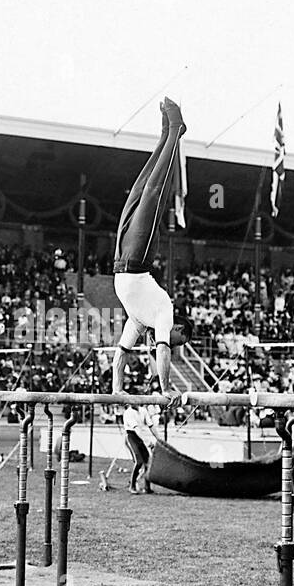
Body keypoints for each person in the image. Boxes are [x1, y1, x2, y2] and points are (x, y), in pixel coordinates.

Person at [111, 98, 190, 399]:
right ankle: (175, 130)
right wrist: (166, 390)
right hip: (138, 259)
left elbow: (121, 355)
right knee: (154, 192)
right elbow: (164, 354)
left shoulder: (138, 320)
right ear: (179, 329)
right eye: (177, 340)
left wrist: (117, 390)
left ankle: (164, 135)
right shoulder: (164, 311)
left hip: (121, 259)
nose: (172, 342)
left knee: (138, 189)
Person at [121, 403, 159, 494]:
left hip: (139, 436)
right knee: (139, 461)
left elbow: (151, 426)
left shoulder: (143, 410)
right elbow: (136, 429)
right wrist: (146, 441)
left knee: (148, 462)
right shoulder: (128, 413)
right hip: (131, 436)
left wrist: (158, 438)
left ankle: (147, 487)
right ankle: (132, 486)